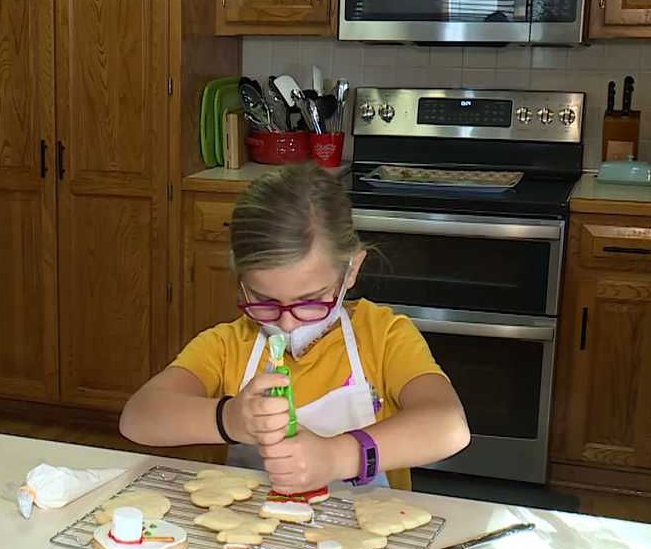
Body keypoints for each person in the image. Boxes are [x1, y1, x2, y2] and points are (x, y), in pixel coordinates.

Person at [120, 164, 470, 493]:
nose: (286, 322)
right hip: (253, 546)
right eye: (264, 302)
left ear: (350, 271)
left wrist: (336, 457)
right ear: (242, 282)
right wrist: (230, 417)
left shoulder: (383, 337)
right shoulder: (228, 345)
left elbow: (448, 426)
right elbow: (138, 417)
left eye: (310, 301)